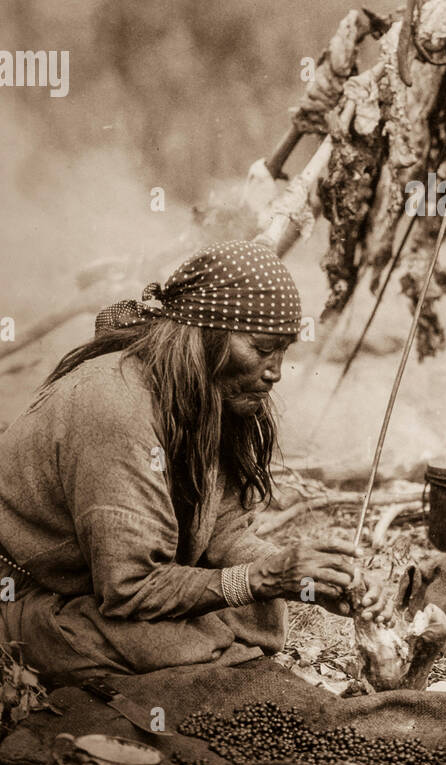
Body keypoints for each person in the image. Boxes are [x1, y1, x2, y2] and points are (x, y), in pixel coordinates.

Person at [0, 240, 385, 684]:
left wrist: (308, 579)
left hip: (105, 582)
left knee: (259, 610)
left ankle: (207, 648)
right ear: (207, 335)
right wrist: (260, 577)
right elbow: (130, 589)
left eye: (283, 350)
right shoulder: (117, 404)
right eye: (261, 349)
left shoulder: (209, 395)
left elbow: (224, 531)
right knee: (162, 640)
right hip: (31, 592)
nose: (276, 371)